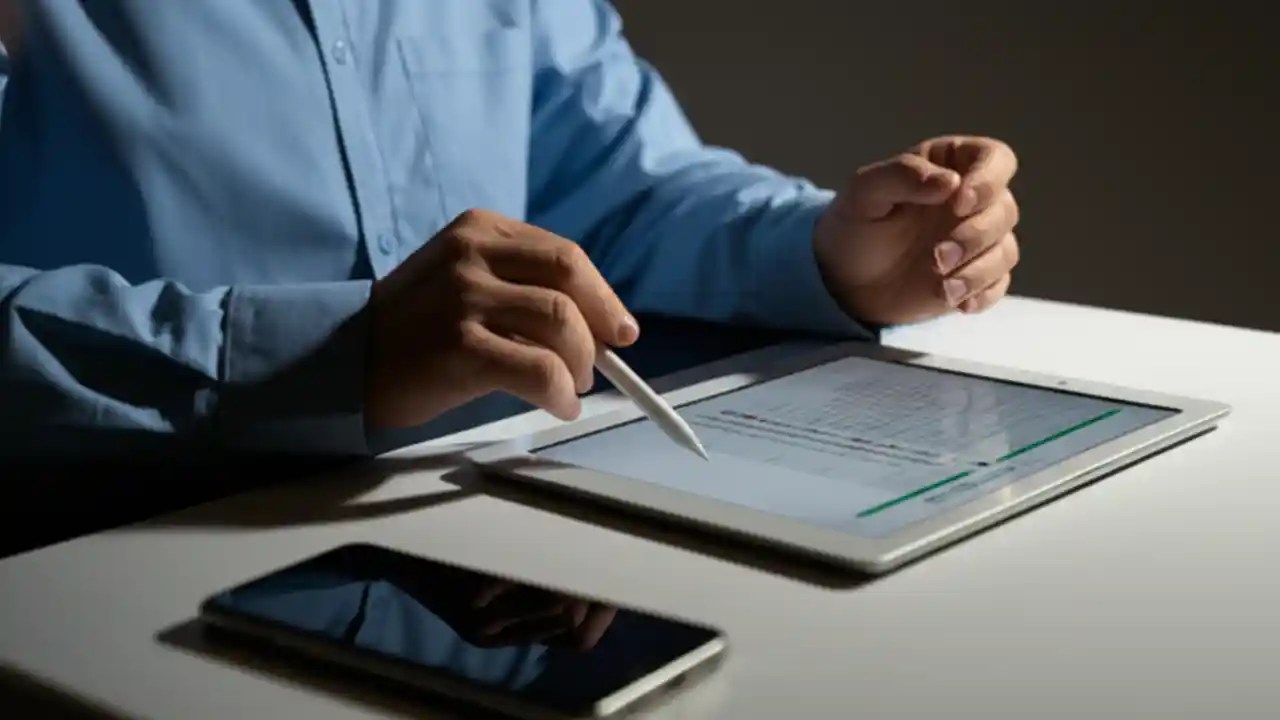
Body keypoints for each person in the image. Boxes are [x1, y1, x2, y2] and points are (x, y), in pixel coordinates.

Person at [0, 1, 1020, 463]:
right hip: (101, 567)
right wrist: (309, 360)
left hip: (485, 542)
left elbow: (619, 185)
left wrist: (824, 258)